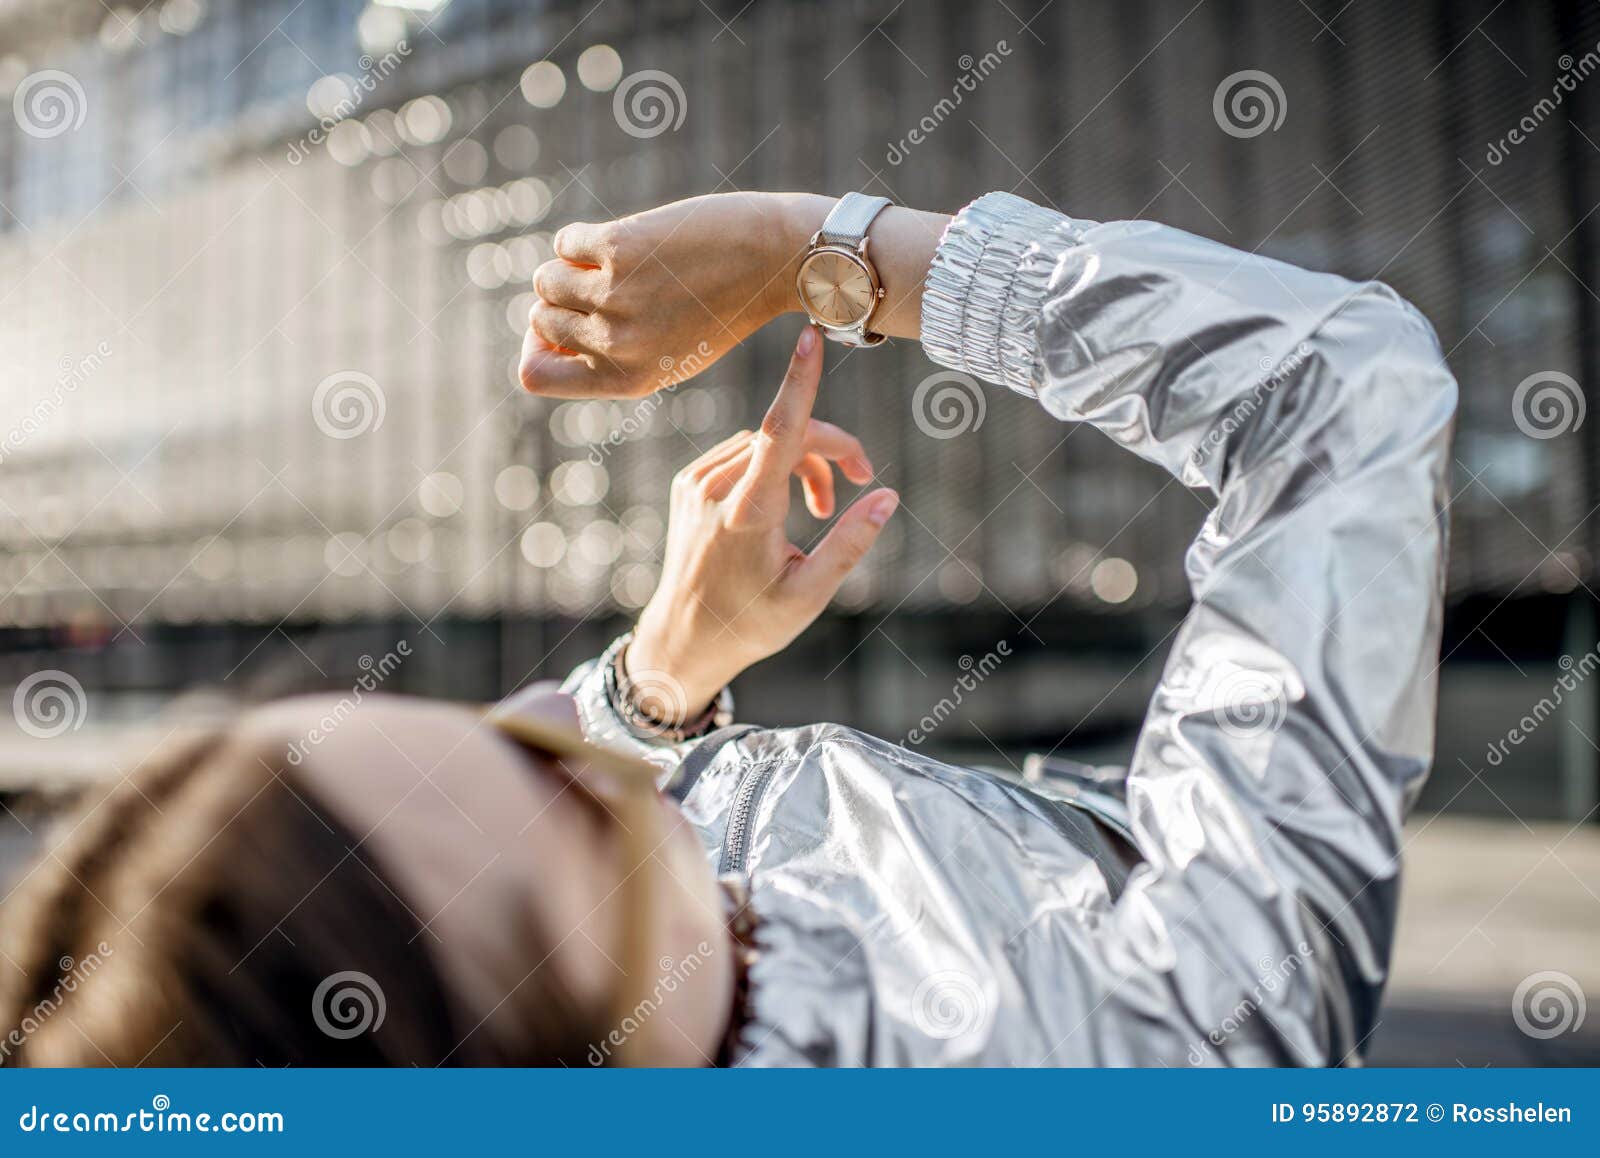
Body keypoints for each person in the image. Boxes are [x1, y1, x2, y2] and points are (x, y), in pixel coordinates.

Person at [0, 189, 1456, 1067]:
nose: (619, 756)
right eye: (573, 807)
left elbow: (578, 785)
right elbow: (1336, 391)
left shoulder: (678, 972)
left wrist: (663, 666)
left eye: (508, 734)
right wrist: (823, 252)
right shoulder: (1152, 1058)